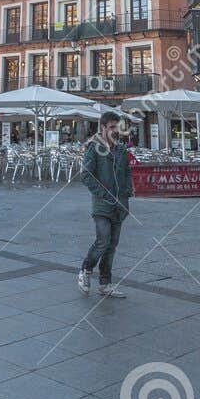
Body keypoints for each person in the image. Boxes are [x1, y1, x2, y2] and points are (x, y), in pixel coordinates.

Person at [77, 111, 133, 298]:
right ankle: (86, 269)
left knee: (112, 245)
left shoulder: (120, 149)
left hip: (119, 205)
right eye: (111, 127)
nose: (115, 130)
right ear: (102, 128)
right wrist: (104, 194)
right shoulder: (94, 148)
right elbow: (86, 175)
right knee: (103, 242)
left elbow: (126, 173)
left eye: (117, 127)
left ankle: (105, 283)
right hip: (102, 204)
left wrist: (126, 195)